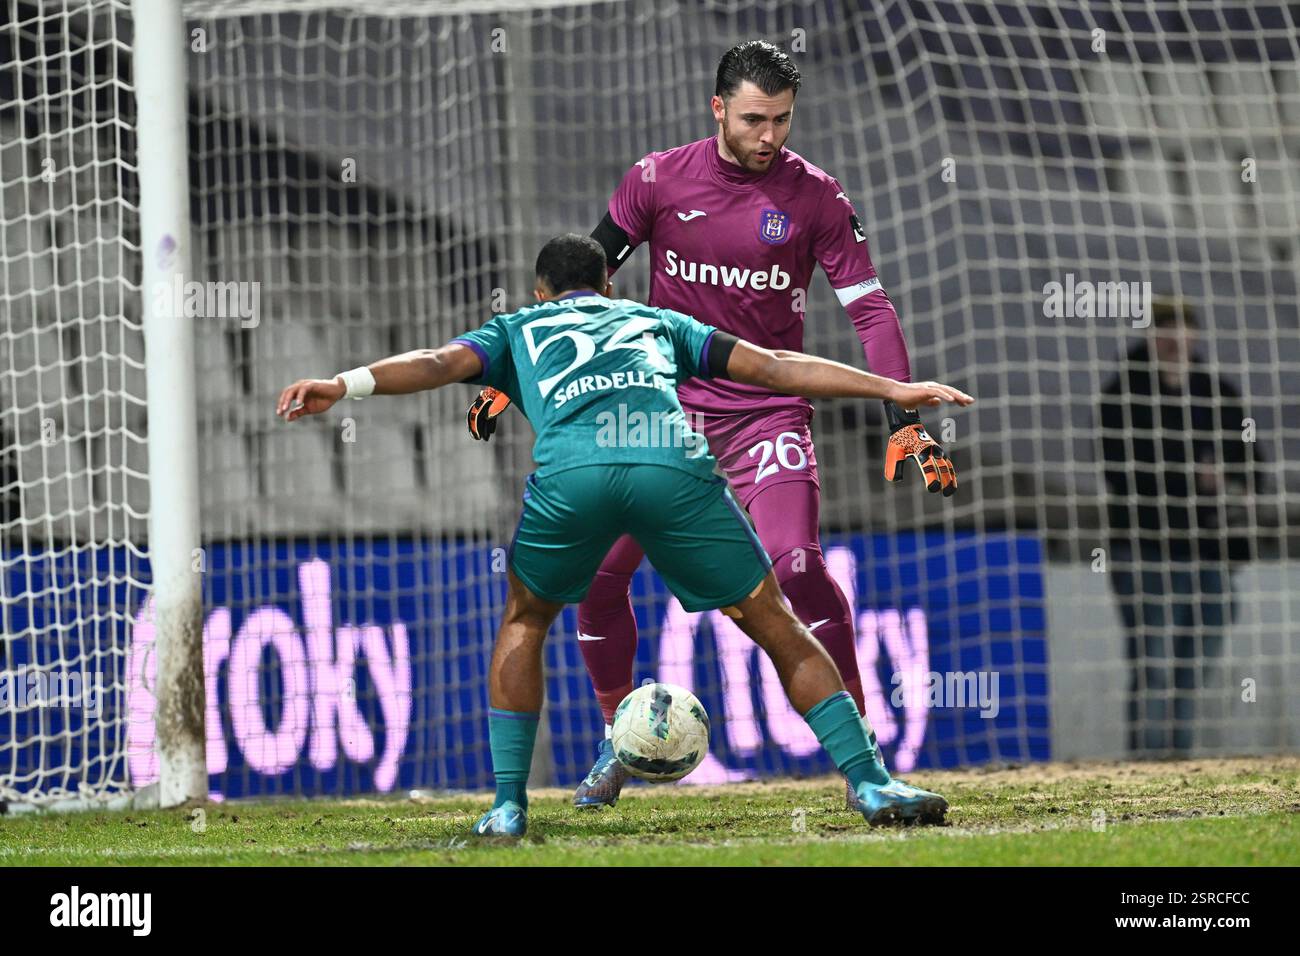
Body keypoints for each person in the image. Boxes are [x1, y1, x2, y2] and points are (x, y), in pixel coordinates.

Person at [278, 234, 973, 835]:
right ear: (609, 284)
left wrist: (344, 383)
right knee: (772, 619)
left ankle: (508, 807)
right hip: (667, 460)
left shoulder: (519, 327)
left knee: (524, 619)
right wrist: (891, 390)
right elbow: (774, 368)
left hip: (573, 473)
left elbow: (433, 364)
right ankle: (873, 782)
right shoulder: (653, 320)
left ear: (539, 290)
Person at [465, 40, 957, 810]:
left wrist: (904, 415)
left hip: (764, 412)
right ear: (718, 107)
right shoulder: (657, 180)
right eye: (756, 119)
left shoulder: (817, 197)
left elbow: (868, 309)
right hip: (662, 415)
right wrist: (509, 372)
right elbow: (584, 284)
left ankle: (865, 757)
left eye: (784, 121)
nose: (771, 138)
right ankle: (620, 741)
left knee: (793, 566)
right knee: (597, 581)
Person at [1099, 299, 1262, 755]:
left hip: (1211, 547)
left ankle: (1178, 762)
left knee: (1196, 663)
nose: (1174, 338)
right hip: (1146, 546)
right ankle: (1145, 765)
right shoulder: (1123, 395)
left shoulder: (1219, 394)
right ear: (1150, 337)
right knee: (1153, 662)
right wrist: (1190, 474)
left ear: (1195, 337)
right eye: (1164, 328)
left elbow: (1254, 460)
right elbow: (1120, 470)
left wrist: (1229, 483)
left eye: (1183, 328)